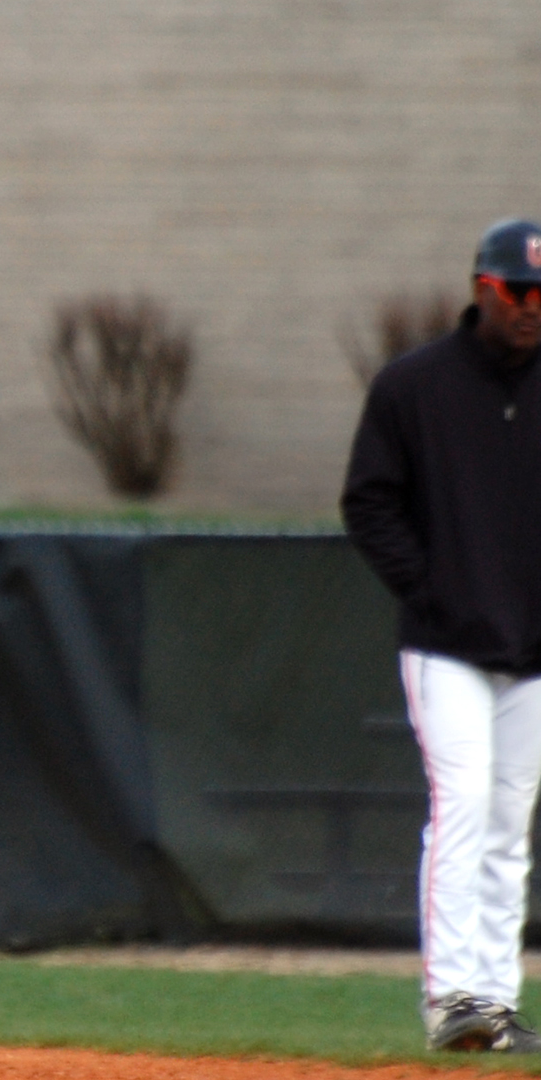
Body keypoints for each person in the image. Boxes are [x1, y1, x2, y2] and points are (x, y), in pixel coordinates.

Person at [342, 217, 541, 1055]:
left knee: (509, 820)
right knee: (462, 806)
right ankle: (451, 996)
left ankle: (494, 1004)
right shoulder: (413, 386)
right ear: (482, 290)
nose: (533, 309)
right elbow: (369, 502)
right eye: (520, 292)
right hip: (445, 644)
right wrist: (430, 588)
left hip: (534, 645)